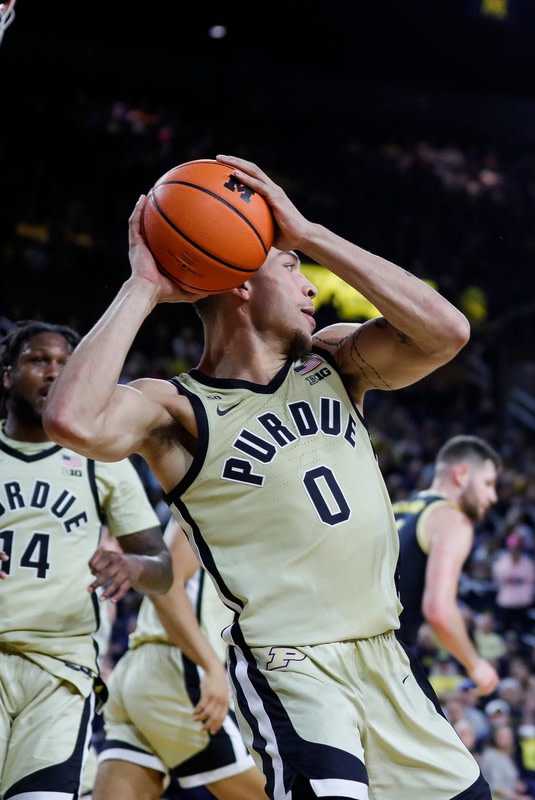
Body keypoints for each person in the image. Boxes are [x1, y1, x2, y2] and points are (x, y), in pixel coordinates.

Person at [43, 154, 489, 800]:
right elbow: (71, 420)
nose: (313, 287)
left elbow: (448, 331)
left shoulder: (335, 361)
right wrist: (143, 285)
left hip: (385, 655)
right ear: (241, 283)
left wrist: (306, 235)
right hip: (294, 664)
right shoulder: (179, 409)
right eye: (292, 269)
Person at [0, 320, 171, 796]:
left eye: (66, 365)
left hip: (61, 671)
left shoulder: (102, 461)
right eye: (39, 360)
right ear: (8, 375)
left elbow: (161, 566)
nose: (55, 373)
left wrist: (134, 567)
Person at [92, 518, 267, 800]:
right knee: (274, 793)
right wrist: (210, 665)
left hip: (140, 672)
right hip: (178, 670)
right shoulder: (212, 501)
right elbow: (166, 585)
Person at [393, 434, 502, 696]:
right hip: (384, 656)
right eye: (487, 483)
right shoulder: (451, 518)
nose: (493, 496)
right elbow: (439, 610)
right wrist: (475, 664)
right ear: (461, 475)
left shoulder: (397, 508)